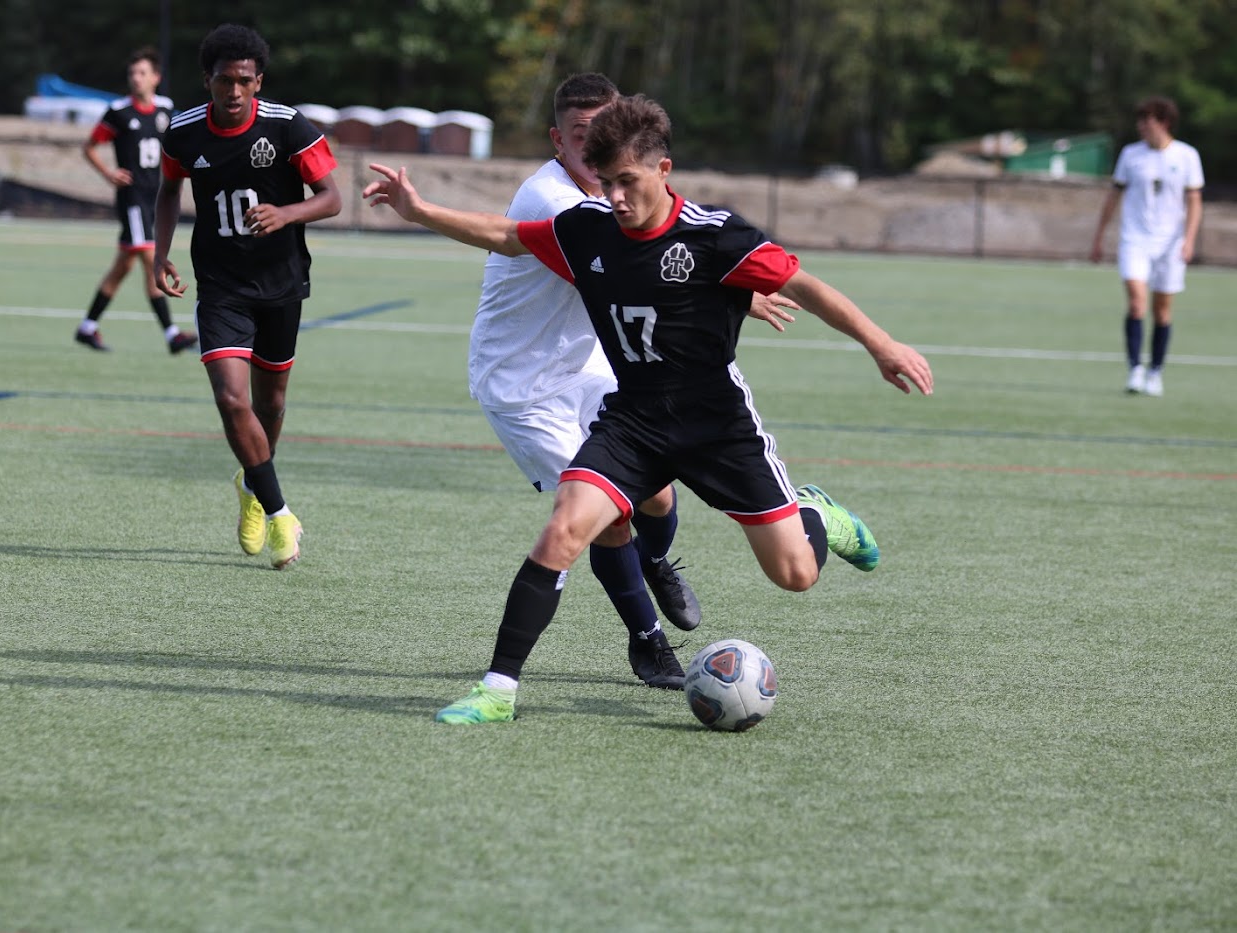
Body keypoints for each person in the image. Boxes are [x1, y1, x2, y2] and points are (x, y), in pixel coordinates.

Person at [363, 94, 934, 723]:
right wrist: (419, 210)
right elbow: (506, 235)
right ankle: (498, 690)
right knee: (564, 528)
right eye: (605, 182)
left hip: (717, 428)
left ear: (664, 171)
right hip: (632, 421)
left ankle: (816, 514)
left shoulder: (716, 235)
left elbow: (805, 285)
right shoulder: (587, 229)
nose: (615, 197)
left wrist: (881, 344)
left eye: (627, 182)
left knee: (795, 574)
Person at [472, 73, 799, 691]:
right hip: (524, 383)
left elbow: (663, 249)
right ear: (558, 141)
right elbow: (640, 256)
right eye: (582, 134)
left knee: (659, 497)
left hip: (589, 364)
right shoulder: (554, 201)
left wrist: (724, 285)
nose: (595, 146)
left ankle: (654, 561)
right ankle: (647, 640)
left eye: (607, 131)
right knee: (603, 519)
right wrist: (723, 288)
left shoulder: (609, 189)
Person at [154, 24, 342, 569]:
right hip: (220, 286)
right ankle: (281, 513)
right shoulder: (184, 131)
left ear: (258, 81)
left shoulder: (287, 126)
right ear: (207, 80)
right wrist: (159, 252)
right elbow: (168, 190)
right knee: (231, 400)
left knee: (271, 405)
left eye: (243, 80)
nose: (233, 91)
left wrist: (286, 213)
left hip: (281, 283)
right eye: (223, 80)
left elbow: (332, 198)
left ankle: (254, 485)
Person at [76, 47, 198, 355]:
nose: (136, 78)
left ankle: (87, 327)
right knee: (149, 260)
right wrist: (109, 173)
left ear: (156, 77)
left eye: (142, 73)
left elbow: (179, 142)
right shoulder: (118, 112)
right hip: (132, 200)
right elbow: (89, 147)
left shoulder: (166, 109)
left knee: (123, 266)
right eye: (132, 73)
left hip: (156, 198)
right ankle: (172, 334)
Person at [1090, 96, 1204, 397]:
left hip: (1170, 244)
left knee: (1162, 311)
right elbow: (1113, 196)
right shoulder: (1131, 155)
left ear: (1164, 123)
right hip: (1135, 239)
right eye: (1140, 120)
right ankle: (1135, 369)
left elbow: (1194, 201)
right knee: (1137, 302)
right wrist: (1099, 236)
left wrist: (1189, 239)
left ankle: (1155, 371)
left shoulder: (1186, 156)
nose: (1141, 125)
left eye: (1147, 120)